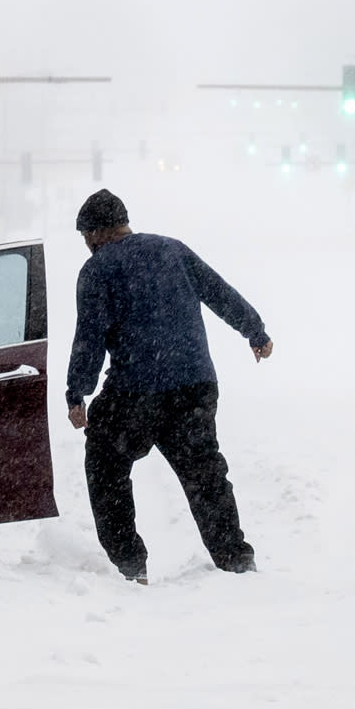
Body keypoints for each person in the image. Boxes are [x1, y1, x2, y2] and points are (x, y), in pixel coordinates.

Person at [63, 190, 273, 583]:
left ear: (95, 234)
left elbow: (89, 337)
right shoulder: (172, 250)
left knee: (106, 466)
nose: (88, 247)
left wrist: (78, 392)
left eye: (86, 238)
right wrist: (254, 330)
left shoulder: (96, 271)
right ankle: (236, 561)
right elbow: (218, 291)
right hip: (193, 385)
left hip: (134, 393)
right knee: (206, 475)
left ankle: (129, 565)